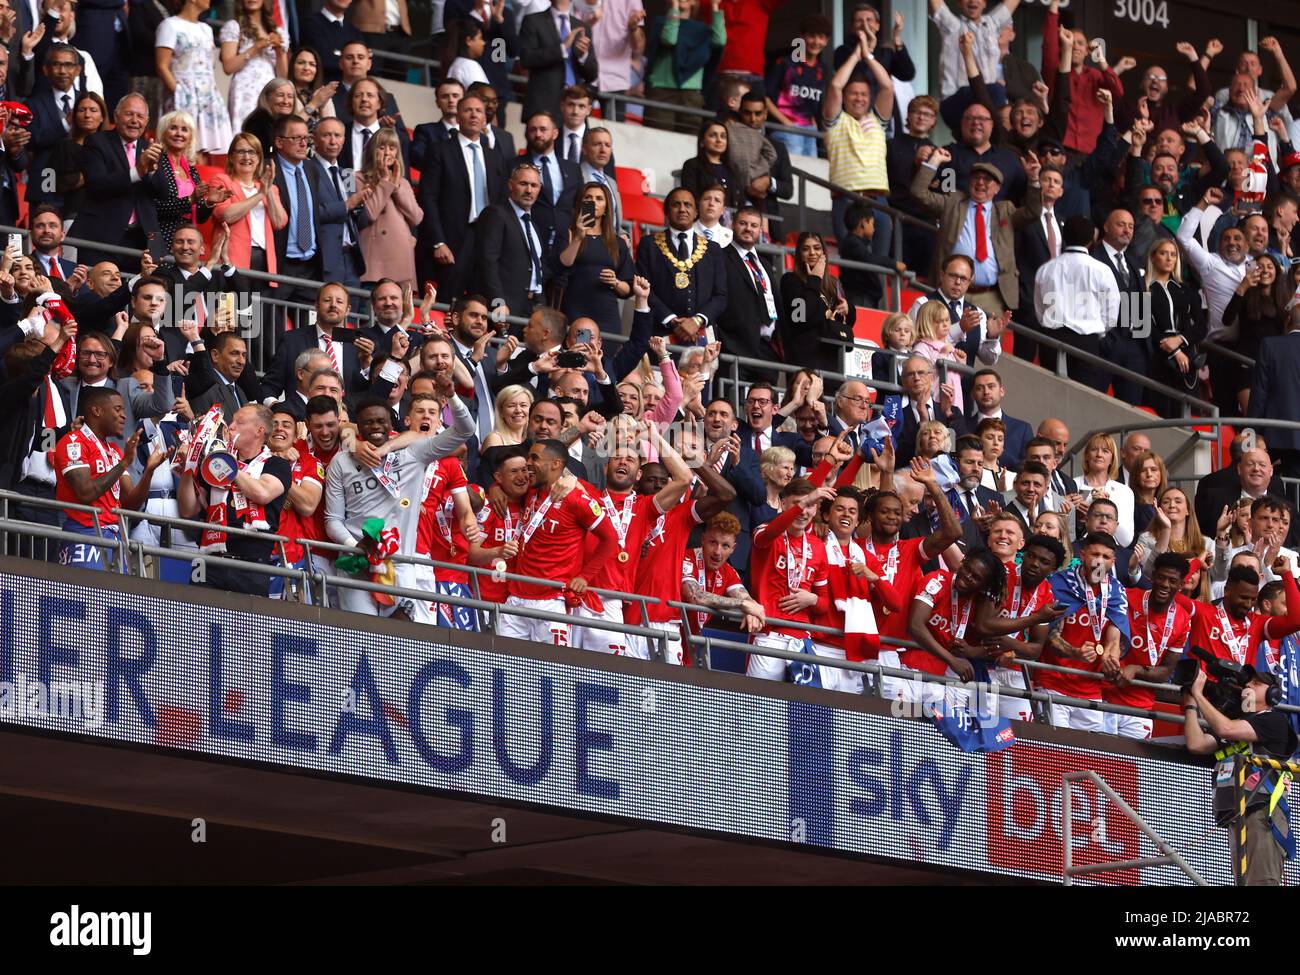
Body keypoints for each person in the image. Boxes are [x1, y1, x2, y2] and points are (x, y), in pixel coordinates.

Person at [324, 384, 474, 615]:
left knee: (400, 643)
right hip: (356, 563)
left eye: (381, 421)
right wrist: (355, 546)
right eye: (367, 422)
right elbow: (333, 520)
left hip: (401, 564)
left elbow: (465, 431)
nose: (375, 426)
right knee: (360, 640)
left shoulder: (414, 454)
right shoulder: (341, 461)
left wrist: (452, 396)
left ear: (391, 424)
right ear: (358, 428)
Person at [1183, 661, 1298, 886]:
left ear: (1273, 694)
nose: (1249, 686)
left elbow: (1226, 729)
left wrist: (1199, 694)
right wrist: (1190, 705)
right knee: (1244, 882)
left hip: (1263, 812)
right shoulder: (1236, 723)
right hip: (1237, 814)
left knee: (1262, 881)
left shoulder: (1272, 720)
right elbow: (1196, 744)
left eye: (1257, 684)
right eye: (1249, 683)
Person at [498, 439, 618, 646]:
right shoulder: (530, 491)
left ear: (555, 464)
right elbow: (502, 481)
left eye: (534, 458)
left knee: (550, 674)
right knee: (502, 665)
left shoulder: (577, 499)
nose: (528, 463)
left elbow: (611, 539)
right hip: (516, 598)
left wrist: (585, 577)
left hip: (552, 601)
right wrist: (495, 488)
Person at [175, 403, 291, 595]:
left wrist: (226, 462)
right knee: (196, 621)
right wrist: (191, 465)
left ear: (259, 430)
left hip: (252, 563)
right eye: (232, 421)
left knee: (245, 624)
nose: (230, 426)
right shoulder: (215, 462)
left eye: (239, 422)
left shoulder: (276, 464)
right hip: (208, 559)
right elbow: (188, 509)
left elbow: (262, 493)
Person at [53, 386, 164, 570]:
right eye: (117, 409)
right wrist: (124, 463)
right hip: (84, 536)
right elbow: (85, 493)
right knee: (86, 597)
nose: (124, 416)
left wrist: (149, 472)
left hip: (116, 539)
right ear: (96, 411)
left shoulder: (114, 451)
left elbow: (130, 504)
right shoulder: (74, 442)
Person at [1038, 531, 1129, 731]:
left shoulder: (1117, 593)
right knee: (1055, 752)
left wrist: (1110, 657)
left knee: (1085, 758)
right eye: (1094, 555)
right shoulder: (1060, 584)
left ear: (1113, 561)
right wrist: (1074, 653)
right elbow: (1049, 636)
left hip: (1091, 689)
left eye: (1105, 557)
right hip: (1053, 683)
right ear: (1082, 554)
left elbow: (1115, 638)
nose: (1099, 561)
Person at [418, 92, 507, 294]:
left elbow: (502, 202)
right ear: (457, 117)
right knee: (450, 301)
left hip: (486, 237)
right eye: (467, 110)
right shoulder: (439, 150)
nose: (473, 115)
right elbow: (428, 198)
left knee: (480, 300)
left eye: (478, 111)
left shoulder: (495, 157)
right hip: (453, 239)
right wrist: (438, 241)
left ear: (486, 118)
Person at [69, 93, 162, 269]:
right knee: (95, 291)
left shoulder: (151, 148)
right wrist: (137, 172)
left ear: (147, 121)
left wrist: (151, 172)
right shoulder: (97, 141)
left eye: (140, 116)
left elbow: (164, 192)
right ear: (116, 116)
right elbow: (97, 184)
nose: (135, 120)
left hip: (144, 240)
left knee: (146, 292)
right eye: (129, 114)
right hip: (102, 235)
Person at [822, 27, 893, 248]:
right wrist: (856, 55)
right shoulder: (836, 120)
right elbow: (835, 85)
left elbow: (887, 86)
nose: (859, 98)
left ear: (870, 98)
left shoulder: (878, 120)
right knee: (851, 262)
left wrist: (868, 55)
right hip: (846, 198)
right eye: (853, 93)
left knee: (879, 266)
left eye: (863, 94)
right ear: (844, 97)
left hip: (878, 200)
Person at [155, 0, 233, 159]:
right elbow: (162, 65)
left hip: (207, 96)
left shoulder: (206, 29)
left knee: (203, 148)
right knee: (181, 146)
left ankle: (199, 182)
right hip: (183, 95)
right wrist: (178, 93)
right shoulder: (170, 25)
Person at [209, 131, 288, 286]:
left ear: (259, 158)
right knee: (231, 309)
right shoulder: (222, 181)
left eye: (252, 152)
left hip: (264, 262)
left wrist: (268, 190)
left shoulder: (269, 188)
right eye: (241, 152)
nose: (247, 157)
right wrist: (259, 195)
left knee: (258, 309)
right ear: (231, 156)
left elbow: (279, 222)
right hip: (230, 260)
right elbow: (225, 215)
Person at [554, 180, 632, 327]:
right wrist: (579, 236)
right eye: (588, 198)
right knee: (582, 348)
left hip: (607, 314)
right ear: (580, 203)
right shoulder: (569, 234)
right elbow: (562, 265)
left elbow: (628, 287)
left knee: (607, 349)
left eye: (599, 199)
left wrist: (615, 282)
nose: (593, 202)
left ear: (606, 208)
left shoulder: (617, 242)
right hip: (577, 311)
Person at [777, 231, 852, 382]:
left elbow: (845, 324)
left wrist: (848, 309)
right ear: (799, 254)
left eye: (817, 248)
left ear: (824, 253)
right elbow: (800, 318)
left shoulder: (833, 283)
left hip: (831, 364)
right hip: (803, 366)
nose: (812, 253)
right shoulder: (790, 280)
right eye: (806, 249)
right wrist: (814, 279)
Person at [148, 110, 227, 251]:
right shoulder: (156, 163)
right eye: (173, 128)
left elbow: (200, 217)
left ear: (191, 137)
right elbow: (153, 207)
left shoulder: (192, 171)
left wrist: (209, 202)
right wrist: (190, 200)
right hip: (160, 238)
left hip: (187, 243)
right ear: (163, 134)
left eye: (184, 130)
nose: (179, 134)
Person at [356, 127, 422, 291]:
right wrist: (385, 182)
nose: (387, 153)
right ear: (372, 150)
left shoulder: (404, 182)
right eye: (381, 147)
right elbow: (369, 214)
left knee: (402, 315)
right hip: (375, 263)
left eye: (392, 148)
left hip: (402, 261)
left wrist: (397, 186)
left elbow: (417, 217)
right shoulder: (355, 177)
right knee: (370, 314)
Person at [642, 0, 722, 134]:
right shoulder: (661, 22)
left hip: (690, 93)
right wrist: (674, 8)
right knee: (658, 139)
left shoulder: (701, 29)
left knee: (690, 141)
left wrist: (715, 7)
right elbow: (670, 39)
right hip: (662, 91)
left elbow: (720, 41)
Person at [309, 117, 369, 293]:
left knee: (352, 315)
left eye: (338, 135)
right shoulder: (307, 169)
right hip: (326, 258)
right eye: (327, 135)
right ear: (315, 139)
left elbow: (359, 218)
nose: (333, 141)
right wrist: (347, 205)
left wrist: (361, 205)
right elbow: (309, 214)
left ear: (344, 140)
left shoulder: (348, 174)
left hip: (352, 257)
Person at [518, 0, 599, 123]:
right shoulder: (533, 21)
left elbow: (592, 74)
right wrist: (562, 48)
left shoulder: (582, 27)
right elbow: (527, 59)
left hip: (574, 105)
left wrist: (583, 56)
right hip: (543, 104)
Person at [30, 90, 105, 220]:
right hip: (70, 216)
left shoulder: (110, 148)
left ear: (102, 117)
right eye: (82, 110)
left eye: (93, 110)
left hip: (103, 216)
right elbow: (49, 185)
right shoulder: (63, 146)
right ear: (74, 115)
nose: (87, 115)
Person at [220, 0, 288, 132]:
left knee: (269, 132)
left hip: (269, 89)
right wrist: (255, 48)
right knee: (246, 132)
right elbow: (228, 67)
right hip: (244, 89)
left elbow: (283, 77)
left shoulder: (277, 31)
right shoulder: (234, 26)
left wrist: (279, 51)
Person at [1249, 307, 1300, 478]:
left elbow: (1259, 393)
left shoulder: (1271, 345)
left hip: (1279, 436)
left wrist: (1252, 434)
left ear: (1287, 321)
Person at [299, 0, 363, 82]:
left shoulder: (354, 31)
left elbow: (365, 64)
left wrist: (338, 55)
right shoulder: (311, 24)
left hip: (349, 88)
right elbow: (324, 60)